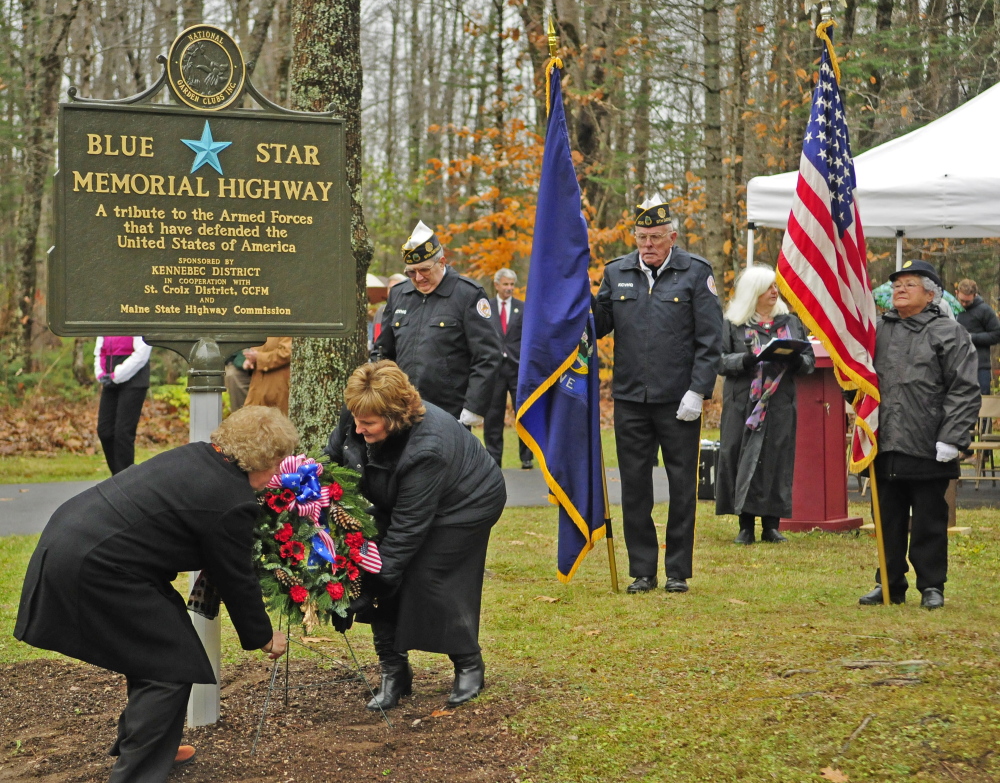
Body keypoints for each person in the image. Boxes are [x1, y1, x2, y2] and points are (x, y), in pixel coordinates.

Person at [14, 405, 296, 782]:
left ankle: (150, 742)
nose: (279, 473)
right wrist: (262, 637)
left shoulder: (198, 456)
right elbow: (236, 577)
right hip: (95, 567)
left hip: (78, 543)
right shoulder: (230, 498)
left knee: (157, 648)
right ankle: (137, 773)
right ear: (261, 458)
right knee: (169, 664)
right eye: (278, 463)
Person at [324, 361, 506, 710]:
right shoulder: (358, 415)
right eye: (356, 420)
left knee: (428, 576)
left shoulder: (427, 449)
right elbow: (330, 460)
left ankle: (468, 663)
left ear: (394, 418)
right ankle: (395, 672)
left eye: (369, 424)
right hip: (401, 497)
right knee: (375, 560)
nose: (358, 429)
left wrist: (365, 590)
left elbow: (406, 532)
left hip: (466, 502)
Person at [594, 196, 723, 594]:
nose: (647, 244)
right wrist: (572, 300)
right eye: (641, 237)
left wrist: (697, 391)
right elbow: (596, 326)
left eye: (655, 237)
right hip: (631, 398)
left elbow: (710, 339)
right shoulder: (617, 273)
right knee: (634, 485)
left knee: (682, 485)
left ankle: (677, 571)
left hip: (678, 400)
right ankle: (643, 570)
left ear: (673, 237)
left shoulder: (694, 273)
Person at [858, 260, 979, 610]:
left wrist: (952, 438)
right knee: (887, 519)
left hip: (928, 442)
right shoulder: (878, 329)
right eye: (896, 284)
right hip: (885, 444)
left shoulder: (950, 332)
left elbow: (964, 389)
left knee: (929, 520)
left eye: (909, 284)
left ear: (930, 294)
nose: (899, 289)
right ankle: (889, 583)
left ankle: (931, 586)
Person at [716, 264, 814, 544]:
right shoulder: (733, 323)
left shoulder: (790, 322)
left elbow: (808, 361)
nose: (774, 292)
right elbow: (719, 361)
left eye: (775, 287)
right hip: (743, 402)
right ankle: (745, 525)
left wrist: (796, 359)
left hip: (780, 401)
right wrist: (745, 360)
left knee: (777, 457)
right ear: (753, 292)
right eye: (768, 287)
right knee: (739, 455)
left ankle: (771, 525)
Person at [372, 221, 502, 426]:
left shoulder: (467, 294)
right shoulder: (399, 294)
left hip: (449, 412)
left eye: (424, 270)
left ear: (441, 262)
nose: (419, 278)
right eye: (411, 272)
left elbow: (487, 355)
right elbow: (382, 351)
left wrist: (473, 407)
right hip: (401, 409)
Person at [483, 268, 533, 469]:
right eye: (505, 284)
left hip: (518, 370)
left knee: (523, 413)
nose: (509, 288)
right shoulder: (486, 307)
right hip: (494, 370)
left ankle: (527, 458)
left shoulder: (523, 308)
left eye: (512, 284)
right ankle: (494, 459)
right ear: (496, 285)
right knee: (493, 416)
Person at [94, 336, 152, 475]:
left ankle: (124, 479)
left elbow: (141, 354)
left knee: (123, 434)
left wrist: (116, 375)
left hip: (134, 381)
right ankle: (119, 478)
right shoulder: (107, 322)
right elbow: (99, 350)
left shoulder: (138, 317)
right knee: (105, 431)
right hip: (109, 380)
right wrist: (101, 373)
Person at [955, 278, 1000, 395]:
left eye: (967, 302)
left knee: (982, 405)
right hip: (956, 366)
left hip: (979, 366)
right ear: (956, 293)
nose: (964, 304)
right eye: (962, 300)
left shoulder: (985, 310)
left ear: (975, 295)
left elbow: (996, 335)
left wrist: (970, 337)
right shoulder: (952, 310)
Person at [244, 337, 292, 414]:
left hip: (278, 383)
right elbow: (256, 350)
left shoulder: (287, 327)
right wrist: (250, 360)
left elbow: (287, 352)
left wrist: (259, 357)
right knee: (252, 418)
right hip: (258, 382)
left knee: (277, 419)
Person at [372, 273, 408, 347]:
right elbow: (377, 338)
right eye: (390, 288)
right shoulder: (381, 311)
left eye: (397, 288)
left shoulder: (411, 309)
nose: (393, 291)